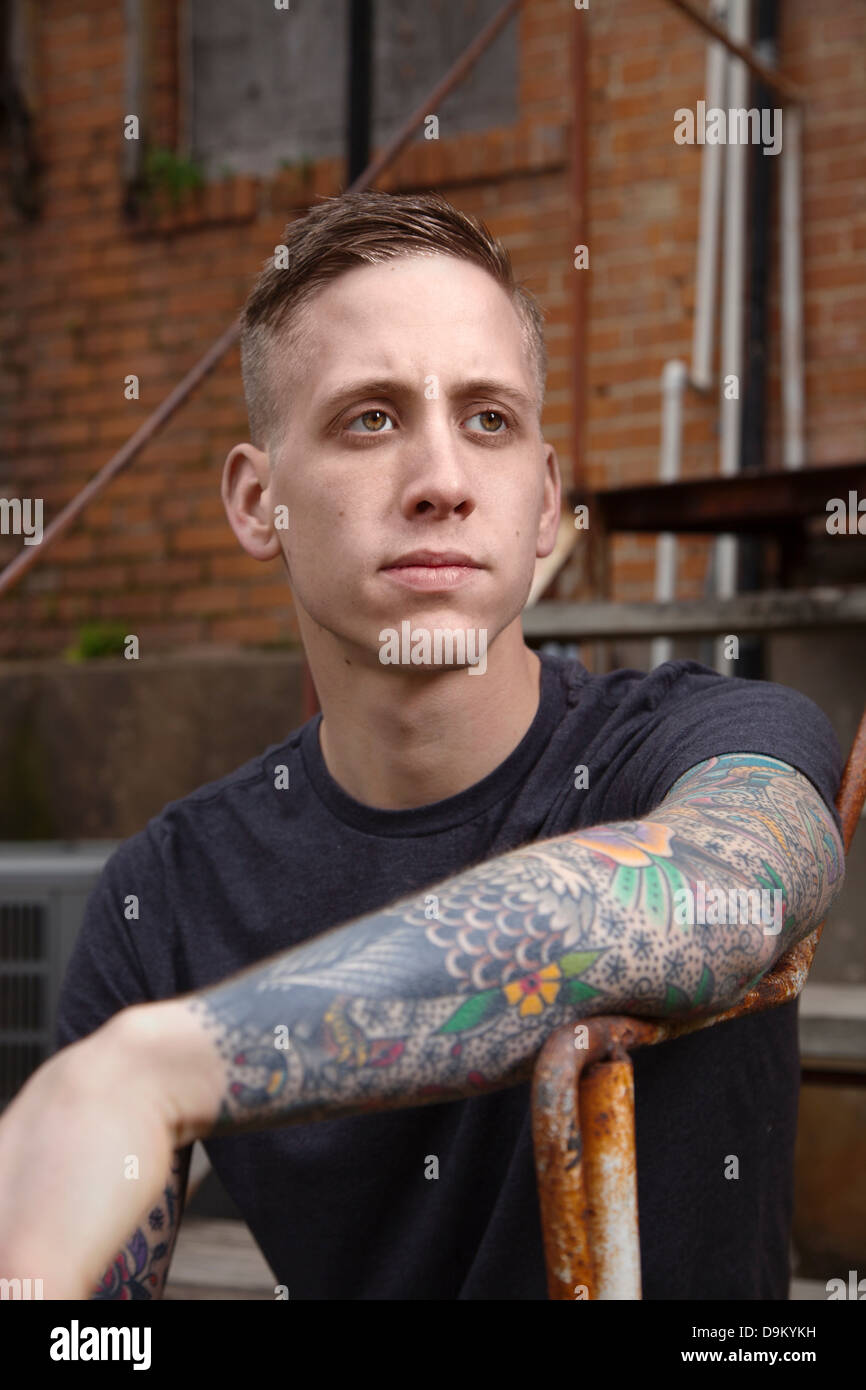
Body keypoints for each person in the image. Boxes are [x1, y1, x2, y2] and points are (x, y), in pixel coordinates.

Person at [0, 191, 846, 1301]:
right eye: (370, 418)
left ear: (543, 505)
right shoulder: (166, 897)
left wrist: (166, 1066)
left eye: (488, 419)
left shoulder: (706, 740)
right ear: (260, 503)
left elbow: (727, 890)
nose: (442, 480)